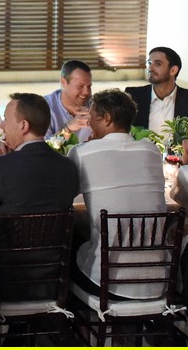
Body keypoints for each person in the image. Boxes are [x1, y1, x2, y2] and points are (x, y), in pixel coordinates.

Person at [68, 89, 165, 298]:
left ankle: (77, 319)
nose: (88, 124)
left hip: (106, 282)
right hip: (159, 279)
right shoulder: (151, 151)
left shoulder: (82, 152)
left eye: (92, 117)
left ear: (106, 118)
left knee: (70, 246)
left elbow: (66, 195)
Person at [0, 92, 78, 216]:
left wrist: (4, 164)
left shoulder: (0, 168)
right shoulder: (68, 166)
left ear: (23, 126)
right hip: (59, 230)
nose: (1, 125)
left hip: (9, 230)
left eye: (6, 119)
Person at [125, 46, 188, 132]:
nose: (150, 68)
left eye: (158, 64)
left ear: (173, 70)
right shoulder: (133, 96)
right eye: (149, 63)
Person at [43, 60, 93, 144]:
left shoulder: (95, 106)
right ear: (63, 82)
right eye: (80, 86)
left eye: (89, 86)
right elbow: (42, 147)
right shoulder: (44, 107)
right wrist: (68, 129)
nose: (87, 92)